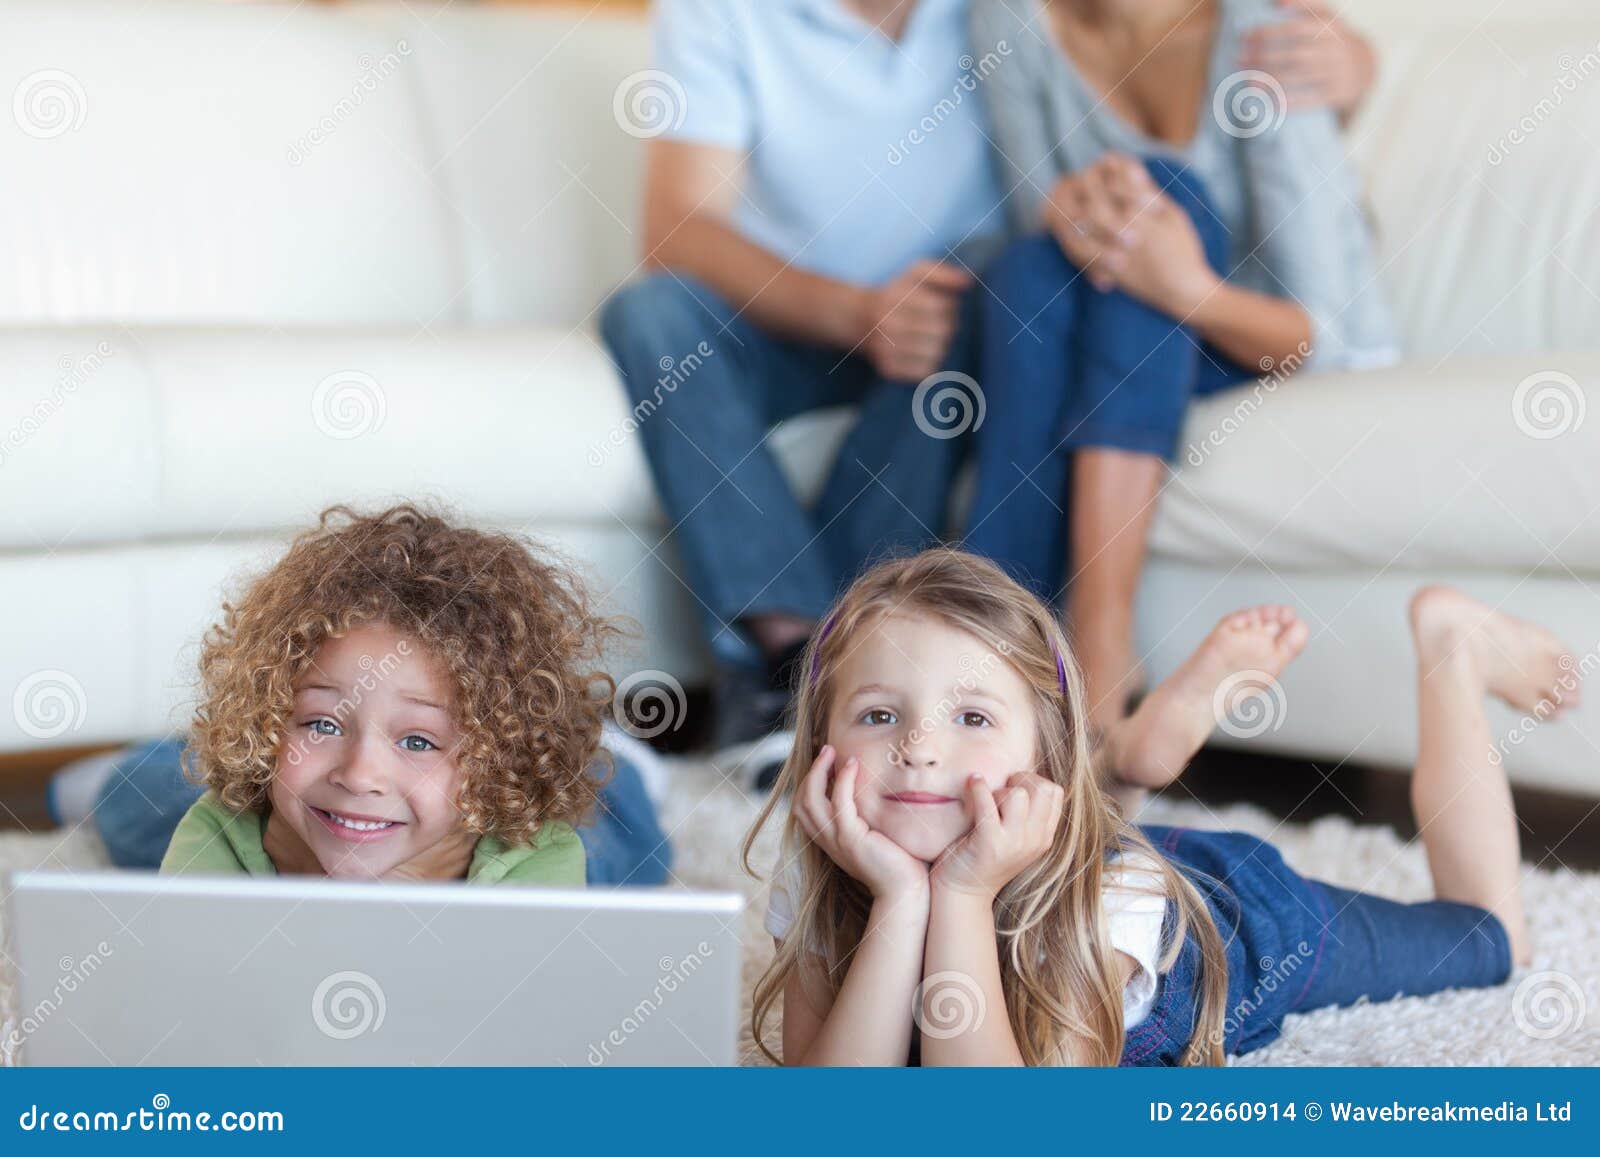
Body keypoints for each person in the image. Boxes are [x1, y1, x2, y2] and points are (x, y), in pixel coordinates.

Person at [744, 551, 1575, 1065]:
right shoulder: (824, 870)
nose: (918, 748)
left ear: (1044, 755)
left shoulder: (1112, 912)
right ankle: (1126, 768)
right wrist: (900, 896)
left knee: (1491, 937)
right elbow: (832, 1111)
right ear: (820, 741)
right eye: (879, 714)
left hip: (1237, 915)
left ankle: (1454, 649)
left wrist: (957, 894)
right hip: (1062, 837)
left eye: (971, 718)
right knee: (1073, 831)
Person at [961, 0, 1397, 759]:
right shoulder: (1009, 22)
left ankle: (1093, 645)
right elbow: (1039, 214)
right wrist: (1068, 214)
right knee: (1028, 266)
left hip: (1250, 333)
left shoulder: (1262, 33)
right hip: (1102, 322)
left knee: (1167, 190)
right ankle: (983, 659)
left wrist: (1184, 287)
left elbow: (1333, 338)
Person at [599, 0, 1005, 765]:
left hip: (946, 325)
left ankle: (832, 666)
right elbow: (678, 227)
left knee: (985, 279)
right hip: (790, 319)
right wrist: (857, 314)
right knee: (652, 312)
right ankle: (795, 647)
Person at [50, 503, 671, 886]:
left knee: (624, 852)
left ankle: (615, 754)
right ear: (268, 712)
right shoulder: (223, 832)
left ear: (500, 760)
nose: (360, 773)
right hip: (281, 810)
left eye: (419, 739)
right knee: (141, 807)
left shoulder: (537, 851)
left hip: (527, 816)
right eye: (320, 723)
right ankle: (148, 761)